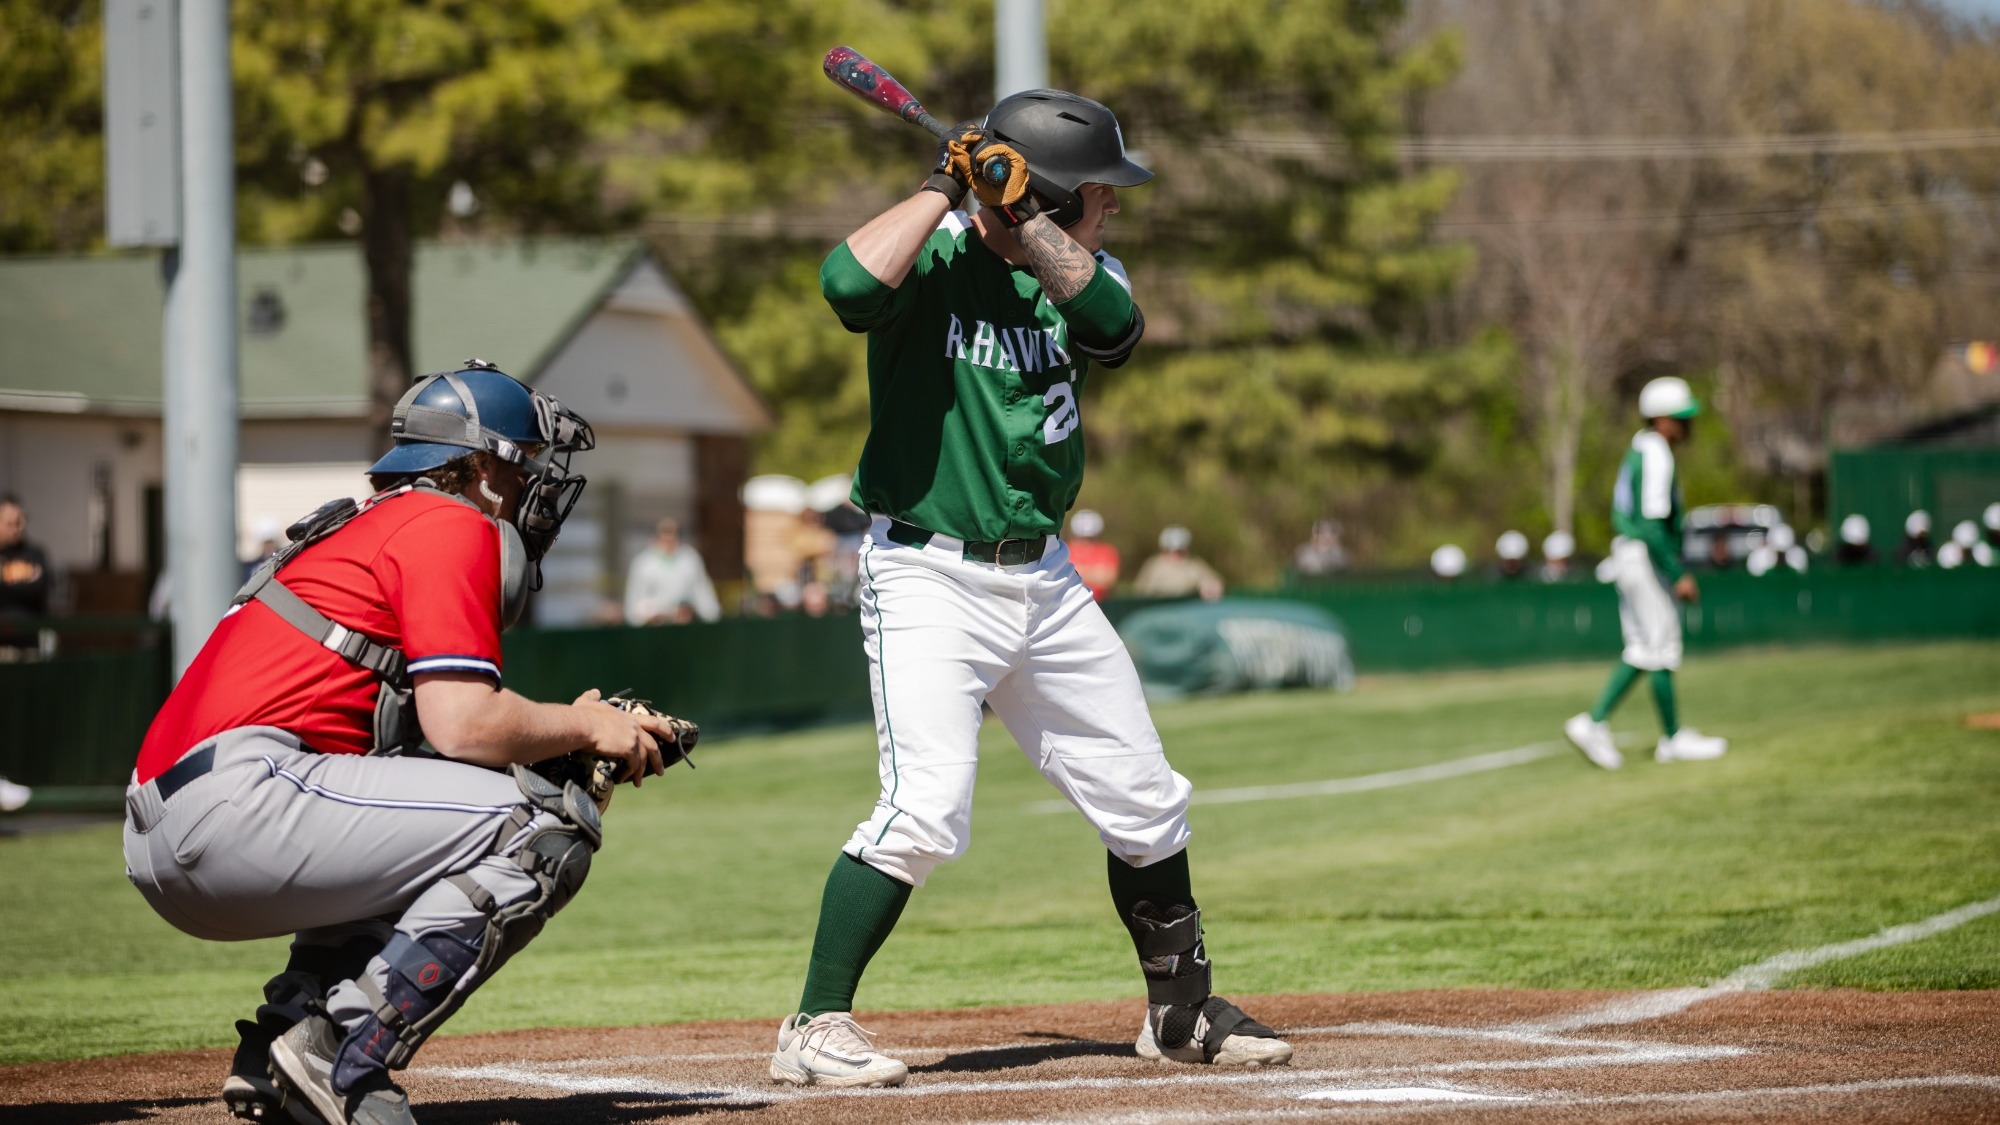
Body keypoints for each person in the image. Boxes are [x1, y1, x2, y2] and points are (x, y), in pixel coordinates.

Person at [769, 89, 1290, 1089]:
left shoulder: (1076, 268)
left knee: (1144, 801)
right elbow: (843, 285)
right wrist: (942, 185)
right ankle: (814, 1024)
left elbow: (1114, 326)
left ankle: (1178, 1013)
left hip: (1042, 581)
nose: (1117, 209)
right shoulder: (932, 258)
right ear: (1058, 189)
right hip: (927, 573)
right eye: (1101, 193)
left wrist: (1032, 220)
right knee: (924, 810)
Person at [122, 363, 691, 1125]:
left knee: (431, 817)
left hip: (176, 819)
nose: (535, 488)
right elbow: (464, 722)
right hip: (238, 802)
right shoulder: (448, 522)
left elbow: (429, 753)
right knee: (542, 827)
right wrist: (588, 726)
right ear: (484, 468)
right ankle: (339, 1049)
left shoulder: (369, 523)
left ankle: (281, 1041)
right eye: (526, 466)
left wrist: (560, 726)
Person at [1563, 377, 1728, 770]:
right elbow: (1652, 522)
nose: (1688, 426)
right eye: (1681, 418)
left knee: (1643, 648)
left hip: (1629, 552)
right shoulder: (1656, 452)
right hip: (1645, 554)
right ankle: (1670, 738)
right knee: (1661, 646)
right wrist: (1678, 571)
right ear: (1661, 419)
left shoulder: (1641, 448)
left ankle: (1594, 723)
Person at [624, 518, 721, 625]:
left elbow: (703, 592)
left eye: (673, 537)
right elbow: (635, 601)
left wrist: (712, 617)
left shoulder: (690, 559)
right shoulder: (643, 563)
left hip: (685, 626)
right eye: (665, 538)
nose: (669, 542)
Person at [0, 494, 51, 663]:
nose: (18, 527)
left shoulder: (35, 554)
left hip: (29, 642)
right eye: (11, 523)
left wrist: (5, 582)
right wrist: (23, 582)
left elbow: (40, 589)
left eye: (21, 521)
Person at [1133, 526, 1226, 600]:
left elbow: (1214, 581)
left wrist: (1211, 585)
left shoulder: (1195, 565)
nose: (1177, 554)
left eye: (1180, 551)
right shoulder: (1154, 565)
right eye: (1172, 550)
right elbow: (1140, 591)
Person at [1066, 509, 1120, 599]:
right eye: (1082, 538)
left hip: (1101, 603)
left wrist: (1077, 571)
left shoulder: (1107, 551)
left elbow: (1109, 579)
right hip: (1071, 602)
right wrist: (1094, 573)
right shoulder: (1066, 549)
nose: (1086, 543)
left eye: (1090, 539)